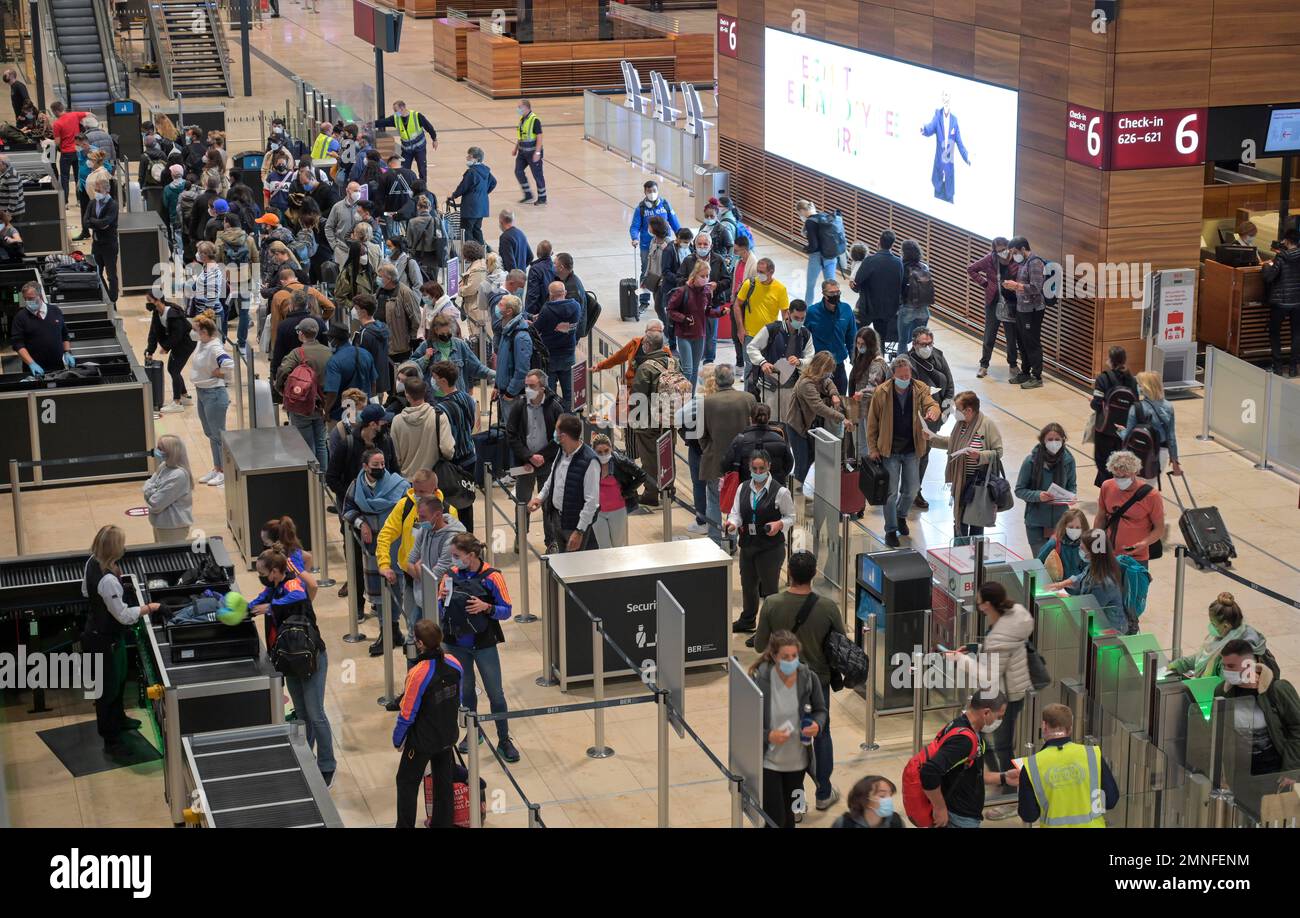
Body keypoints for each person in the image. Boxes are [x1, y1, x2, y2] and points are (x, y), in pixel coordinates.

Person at [754, 550, 845, 809]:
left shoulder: (772, 603)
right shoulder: (828, 607)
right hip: (818, 680)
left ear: (789, 574)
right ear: (815, 574)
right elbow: (841, 645)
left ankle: (793, 802)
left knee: (785, 738)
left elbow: (760, 644)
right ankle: (824, 792)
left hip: (780, 682)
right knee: (820, 733)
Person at [249, 548, 335, 785]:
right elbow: (256, 602)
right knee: (302, 714)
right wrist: (243, 610)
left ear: (275, 571)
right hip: (288, 658)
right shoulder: (273, 588)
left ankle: (327, 764)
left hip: (311, 658)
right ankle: (306, 758)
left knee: (316, 714)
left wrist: (272, 607)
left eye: (263, 572)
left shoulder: (292, 586)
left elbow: (298, 596)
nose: (262, 576)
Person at [436, 533, 520, 762]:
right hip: (455, 644)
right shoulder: (449, 576)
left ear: (471, 555)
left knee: (496, 693)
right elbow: (441, 611)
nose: (453, 560)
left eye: (456, 555)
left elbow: (507, 610)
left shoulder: (492, 577)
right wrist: (441, 598)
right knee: (466, 691)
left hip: (483, 644)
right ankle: (474, 733)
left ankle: (504, 739)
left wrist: (486, 607)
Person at [82, 526, 161, 757]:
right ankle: (111, 739)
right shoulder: (107, 580)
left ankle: (119, 719)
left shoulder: (91, 562)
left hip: (108, 637)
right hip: (102, 641)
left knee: (117, 681)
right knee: (106, 690)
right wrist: (151, 607)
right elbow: (124, 615)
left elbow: (86, 591)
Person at [961, 582, 1034, 819]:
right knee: (988, 739)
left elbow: (988, 674)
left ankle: (1009, 796)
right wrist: (976, 649)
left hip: (1005, 699)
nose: (979, 606)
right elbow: (996, 655)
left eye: (980, 602)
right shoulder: (1015, 617)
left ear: (989, 605)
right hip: (1013, 691)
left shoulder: (1000, 635)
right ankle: (1000, 779)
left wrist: (961, 662)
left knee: (1003, 747)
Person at [749, 630, 827, 829]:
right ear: (774, 656)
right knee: (775, 819)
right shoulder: (759, 681)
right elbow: (746, 723)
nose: (791, 661)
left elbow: (821, 710)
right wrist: (768, 735)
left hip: (797, 762)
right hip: (768, 763)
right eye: (785, 657)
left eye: (794, 656)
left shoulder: (809, 678)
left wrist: (817, 725)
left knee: (790, 817)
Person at [393, 619, 463, 828]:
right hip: (447, 736)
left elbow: (407, 713)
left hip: (422, 741)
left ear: (421, 644)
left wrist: (398, 740)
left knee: (405, 782)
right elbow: (457, 698)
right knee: (444, 783)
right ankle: (443, 824)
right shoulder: (454, 663)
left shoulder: (418, 673)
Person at [866, 356, 941, 546]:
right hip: (889, 450)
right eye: (901, 376)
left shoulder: (920, 388)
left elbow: (932, 403)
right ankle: (890, 529)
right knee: (890, 493)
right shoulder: (882, 392)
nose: (905, 378)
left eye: (907, 375)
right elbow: (872, 422)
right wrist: (873, 448)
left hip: (911, 448)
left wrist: (933, 411)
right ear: (893, 375)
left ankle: (901, 514)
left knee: (912, 490)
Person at [343, 447, 412, 650]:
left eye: (383, 464)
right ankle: (386, 629)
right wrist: (361, 522)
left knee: (397, 587)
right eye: (375, 465)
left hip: (396, 546)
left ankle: (394, 628)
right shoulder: (356, 486)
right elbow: (348, 509)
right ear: (365, 467)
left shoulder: (399, 485)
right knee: (378, 589)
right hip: (372, 547)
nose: (380, 468)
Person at [726, 450, 795, 634]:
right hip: (748, 545)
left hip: (770, 548)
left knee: (769, 590)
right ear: (750, 468)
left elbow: (791, 517)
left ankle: (771, 629)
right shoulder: (743, 487)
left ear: (769, 467)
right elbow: (736, 513)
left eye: (761, 468)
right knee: (748, 584)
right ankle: (748, 619)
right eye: (754, 468)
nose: (758, 471)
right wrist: (733, 523)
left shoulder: (781, 492)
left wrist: (779, 523)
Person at [920, 691, 1012, 828]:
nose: (999, 721)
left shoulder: (963, 726)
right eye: (999, 716)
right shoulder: (964, 741)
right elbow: (929, 772)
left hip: (962, 814)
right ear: (986, 713)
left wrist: (1004, 777)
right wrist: (939, 808)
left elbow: (972, 773)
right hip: (958, 817)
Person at [1017, 704, 1118, 827]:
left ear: (1044, 726)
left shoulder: (1031, 766)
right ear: (1070, 728)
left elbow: (1029, 815)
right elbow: (1111, 800)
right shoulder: (1092, 755)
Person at [927, 391, 1005, 541]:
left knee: (976, 521)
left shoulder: (987, 425)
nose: (955, 413)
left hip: (978, 484)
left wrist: (980, 456)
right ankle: (959, 553)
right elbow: (953, 443)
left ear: (969, 410)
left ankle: (975, 557)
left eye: (958, 409)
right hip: (960, 480)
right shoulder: (960, 424)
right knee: (959, 519)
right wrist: (932, 438)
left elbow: (998, 452)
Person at [1215, 640, 1300, 774]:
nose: (1226, 671)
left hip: (1274, 771)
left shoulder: (1278, 690)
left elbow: (1297, 729)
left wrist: (1290, 771)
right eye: (1224, 666)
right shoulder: (1222, 691)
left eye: (1231, 666)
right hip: (1240, 773)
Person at [699, 364, 756, 541]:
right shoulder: (748, 398)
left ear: (716, 380)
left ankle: (715, 540)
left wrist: (710, 449)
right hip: (744, 462)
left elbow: (701, 435)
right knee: (738, 503)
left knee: (714, 501)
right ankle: (733, 540)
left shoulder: (706, 402)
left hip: (715, 460)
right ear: (733, 379)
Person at [507, 369, 563, 548]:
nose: (527, 389)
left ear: (542, 388)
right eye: (526, 385)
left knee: (548, 503)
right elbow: (511, 435)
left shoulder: (554, 406)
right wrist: (529, 456)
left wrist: (542, 457)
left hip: (548, 463)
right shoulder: (519, 405)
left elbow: (559, 437)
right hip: (525, 464)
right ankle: (521, 537)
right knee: (522, 502)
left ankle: (551, 540)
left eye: (531, 386)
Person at [528, 414, 600, 553]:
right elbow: (552, 478)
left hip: (574, 526)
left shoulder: (590, 461)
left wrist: (579, 531)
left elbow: (592, 502)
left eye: (556, 431)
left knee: (575, 568)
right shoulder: (562, 451)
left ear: (564, 436)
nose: (554, 434)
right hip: (557, 519)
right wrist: (540, 497)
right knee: (562, 564)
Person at [1170, 593, 1276, 681]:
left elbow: (1222, 690)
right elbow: (1202, 656)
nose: (1210, 626)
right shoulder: (1224, 635)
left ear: (1226, 626)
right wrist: (1177, 665)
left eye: (1214, 624)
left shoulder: (1233, 654)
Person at [747, 299, 813, 435]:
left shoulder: (806, 334)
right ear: (788, 313)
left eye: (802, 318)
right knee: (769, 424)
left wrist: (800, 362)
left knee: (789, 426)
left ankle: (785, 452)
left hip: (791, 388)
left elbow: (811, 357)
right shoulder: (772, 329)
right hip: (769, 388)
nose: (799, 321)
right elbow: (752, 347)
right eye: (796, 318)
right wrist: (763, 362)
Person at [906, 326, 954, 510]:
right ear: (914, 344)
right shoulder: (906, 362)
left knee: (924, 455)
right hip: (913, 419)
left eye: (929, 344)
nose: (926, 347)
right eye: (922, 344)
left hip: (934, 419)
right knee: (911, 455)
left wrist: (944, 412)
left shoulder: (939, 357)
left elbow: (949, 385)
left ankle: (916, 490)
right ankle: (907, 490)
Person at [275, 318, 333, 468]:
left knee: (306, 445)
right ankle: (322, 480)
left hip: (302, 405)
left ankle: (311, 480)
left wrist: (282, 390)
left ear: (301, 334)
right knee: (321, 443)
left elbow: (282, 372)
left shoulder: (297, 353)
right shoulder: (328, 352)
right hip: (323, 405)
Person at [1048, 529, 1131, 634]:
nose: (1079, 550)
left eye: (1082, 548)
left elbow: (1090, 607)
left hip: (1110, 630)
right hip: (1096, 622)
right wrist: (1061, 584)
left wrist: (1066, 598)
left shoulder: (1104, 582)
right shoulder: (1096, 566)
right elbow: (1080, 578)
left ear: (1093, 553)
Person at [405, 495, 467, 630]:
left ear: (437, 515)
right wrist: (419, 569)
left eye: (423, 517)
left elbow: (435, 577)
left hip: (441, 603)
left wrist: (418, 567)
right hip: (422, 598)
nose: (420, 521)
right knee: (413, 637)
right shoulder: (425, 529)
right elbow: (409, 561)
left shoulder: (452, 539)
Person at [1015, 422, 1077, 554]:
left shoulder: (1069, 460)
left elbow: (1072, 485)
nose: (1054, 442)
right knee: (1041, 562)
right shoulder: (1030, 461)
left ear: (1063, 440)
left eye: (1057, 439)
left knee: (1059, 565)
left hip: (1060, 521)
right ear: (1043, 440)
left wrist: (1072, 496)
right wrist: (1038, 496)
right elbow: (1019, 490)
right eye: (1050, 439)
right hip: (1036, 521)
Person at [1094, 450, 1163, 566]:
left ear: (1134, 472)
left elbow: (1159, 529)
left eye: (1124, 476)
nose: (1120, 479)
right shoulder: (1106, 486)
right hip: (1109, 555)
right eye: (1116, 475)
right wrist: (1096, 543)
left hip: (1136, 558)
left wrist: (1144, 543)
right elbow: (1100, 517)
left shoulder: (1152, 496)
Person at [189, 312, 232, 487]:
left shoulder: (215, 347)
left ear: (205, 332)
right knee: (210, 433)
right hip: (202, 393)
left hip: (214, 394)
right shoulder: (201, 343)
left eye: (196, 330)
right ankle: (217, 467)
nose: (193, 333)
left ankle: (224, 471)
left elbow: (230, 364)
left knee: (218, 435)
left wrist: (220, 372)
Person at [967, 237, 1020, 380]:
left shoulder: (1016, 259)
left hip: (1011, 302)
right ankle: (984, 365)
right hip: (993, 302)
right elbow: (971, 269)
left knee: (1011, 336)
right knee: (990, 334)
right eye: (999, 250)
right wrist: (985, 284)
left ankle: (1013, 365)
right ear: (995, 251)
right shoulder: (990, 259)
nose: (1003, 252)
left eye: (1005, 249)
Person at [676, 233, 732, 366]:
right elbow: (678, 279)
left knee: (711, 333)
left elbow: (727, 280)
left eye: (705, 244)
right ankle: (696, 355)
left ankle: (709, 359)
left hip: (713, 303)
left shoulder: (718, 260)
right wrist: (690, 283)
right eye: (699, 244)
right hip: (692, 305)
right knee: (694, 331)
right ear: (694, 246)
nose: (702, 247)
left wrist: (717, 285)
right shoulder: (688, 261)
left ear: (711, 245)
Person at [788, 351, 845, 483]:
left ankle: (796, 490)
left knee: (809, 460)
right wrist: (841, 417)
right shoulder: (806, 384)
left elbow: (828, 382)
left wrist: (834, 394)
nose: (828, 374)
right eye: (826, 371)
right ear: (819, 368)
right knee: (802, 465)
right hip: (797, 427)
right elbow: (818, 407)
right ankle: (796, 498)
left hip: (809, 426)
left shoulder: (819, 378)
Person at [1120, 371, 1183, 481]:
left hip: (1139, 453)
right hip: (1160, 454)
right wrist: (1174, 460)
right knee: (1149, 487)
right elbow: (1171, 436)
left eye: (1139, 385)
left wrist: (1121, 431)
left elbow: (1128, 437)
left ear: (1146, 387)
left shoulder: (1136, 408)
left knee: (1136, 490)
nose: (1138, 387)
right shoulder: (1169, 407)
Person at [389, 376, 457, 479]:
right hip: (433, 478)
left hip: (407, 479)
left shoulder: (397, 421)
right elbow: (447, 450)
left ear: (407, 395)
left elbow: (395, 456)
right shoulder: (439, 417)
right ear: (424, 393)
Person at [1003, 236, 1048, 389]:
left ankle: (1037, 376)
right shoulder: (1023, 262)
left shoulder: (1035, 262)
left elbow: (1036, 287)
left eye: (1015, 252)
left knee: (1032, 342)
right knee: (1022, 341)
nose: (1013, 255)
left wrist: (1016, 286)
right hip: (1022, 308)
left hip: (1033, 310)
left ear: (1023, 249)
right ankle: (1025, 372)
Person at [1089, 346, 1137, 487]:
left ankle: (1107, 491)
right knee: (1120, 463)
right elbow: (1136, 404)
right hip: (1124, 430)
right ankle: (1117, 489)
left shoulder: (1103, 379)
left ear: (1110, 360)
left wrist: (1093, 403)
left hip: (1105, 429)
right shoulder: (1131, 380)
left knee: (1102, 461)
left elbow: (1096, 404)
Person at [667, 259, 719, 387]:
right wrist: (683, 318)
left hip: (699, 335)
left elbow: (706, 311)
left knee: (695, 370)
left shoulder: (707, 292)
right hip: (684, 335)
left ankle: (691, 398)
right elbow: (670, 310)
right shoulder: (682, 292)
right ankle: (683, 396)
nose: (705, 279)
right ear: (694, 275)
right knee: (688, 370)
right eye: (702, 276)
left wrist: (720, 313)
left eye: (707, 276)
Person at [590, 434, 645, 549]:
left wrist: (626, 492)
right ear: (593, 451)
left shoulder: (619, 461)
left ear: (611, 448)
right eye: (599, 452)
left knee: (618, 547)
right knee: (603, 548)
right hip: (597, 512)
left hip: (618, 510)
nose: (603, 454)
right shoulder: (589, 464)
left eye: (606, 450)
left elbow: (641, 475)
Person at [145, 289, 196, 413]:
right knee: (174, 369)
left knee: (174, 369)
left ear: (157, 301)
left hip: (187, 342)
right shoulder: (157, 313)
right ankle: (185, 396)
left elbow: (177, 335)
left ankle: (177, 402)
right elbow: (153, 332)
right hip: (179, 342)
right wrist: (150, 350)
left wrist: (166, 347)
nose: (147, 303)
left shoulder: (173, 313)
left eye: (149, 301)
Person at [535, 281, 582, 410]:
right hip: (568, 353)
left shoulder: (547, 309)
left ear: (550, 295)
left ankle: (553, 420)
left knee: (550, 393)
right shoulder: (576, 306)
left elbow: (537, 329)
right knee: (569, 392)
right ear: (565, 293)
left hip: (550, 355)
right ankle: (569, 420)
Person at [853, 231, 904, 352]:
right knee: (880, 339)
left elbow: (857, 283)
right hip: (888, 309)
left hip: (867, 307)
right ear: (892, 245)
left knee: (858, 334)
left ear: (878, 242)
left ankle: (856, 359)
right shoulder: (898, 263)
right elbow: (899, 284)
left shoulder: (870, 260)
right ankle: (880, 363)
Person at [10, 282, 73, 377]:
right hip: (34, 371)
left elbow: (64, 335)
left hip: (58, 369)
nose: (28, 301)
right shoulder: (20, 317)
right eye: (25, 299)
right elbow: (18, 344)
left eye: (31, 298)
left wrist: (67, 352)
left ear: (40, 296)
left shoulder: (55, 311)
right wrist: (31, 363)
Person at [724, 402, 794, 487]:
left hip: (747, 489)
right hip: (774, 488)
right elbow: (789, 464)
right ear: (768, 419)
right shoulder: (780, 440)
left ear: (750, 419)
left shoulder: (739, 441)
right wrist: (778, 476)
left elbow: (727, 465)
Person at [806, 278, 856, 397]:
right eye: (832, 293)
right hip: (818, 366)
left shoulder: (846, 310)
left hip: (838, 364)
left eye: (838, 292)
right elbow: (804, 338)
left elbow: (852, 337)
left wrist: (854, 358)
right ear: (824, 294)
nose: (836, 295)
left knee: (841, 398)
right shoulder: (812, 312)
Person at [846, 326, 889, 458]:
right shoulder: (861, 357)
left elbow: (874, 386)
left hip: (870, 409)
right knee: (859, 445)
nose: (859, 347)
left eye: (863, 344)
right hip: (858, 407)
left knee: (867, 446)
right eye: (858, 344)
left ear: (870, 344)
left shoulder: (876, 362)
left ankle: (866, 473)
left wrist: (862, 392)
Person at [1262, 228, 1300, 377]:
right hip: (1298, 302)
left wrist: (1266, 266)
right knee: (1296, 333)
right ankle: (1293, 367)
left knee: (1274, 331)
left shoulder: (1281, 258)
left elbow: (1269, 278)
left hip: (1281, 302)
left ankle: (1277, 366)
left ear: (1287, 241)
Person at [921, 91, 970, 202]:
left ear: (951, 99)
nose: (946, 98)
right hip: (938, 174)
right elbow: (930, 128)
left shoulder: (954, 121)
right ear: (942, 98)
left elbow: (960, 144)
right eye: (944, 96)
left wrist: (968, 157)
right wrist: (923, 128)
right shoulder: (937, 115)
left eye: (948, 96)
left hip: (949, 177)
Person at [143, 435, 194, 544]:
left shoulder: (178, 475)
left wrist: (150, 491)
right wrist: (152, 490)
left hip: (172, 527)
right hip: (160, 524)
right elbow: (147, 486)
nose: (157, 451)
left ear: (171, 452)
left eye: (161, 449)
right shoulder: (164, 466)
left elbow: (155, 503)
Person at [323, 324, 378, 420]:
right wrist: (373, 405)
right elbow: (373, 383)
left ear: (334, 340)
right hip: (364, 409)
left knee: (342, 434)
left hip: (343, 413)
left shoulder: (334, 361)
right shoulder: (366, 354)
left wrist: (326, 411)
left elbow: (332, 392)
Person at [374, 100, 437, 182]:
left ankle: (423, 189)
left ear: (402, 108)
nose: (395, 113)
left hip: (419, 148)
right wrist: (370, 124)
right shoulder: (396, 119)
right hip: (407, 150)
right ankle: (406, 188)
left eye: (396, 110)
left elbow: (429, 127)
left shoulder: (416, 116)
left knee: (422, 170)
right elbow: (382, 122)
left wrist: (434, 139)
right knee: (404, 170)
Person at [630, 181, 681, 274]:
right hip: (646, 245)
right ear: (645, 192)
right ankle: (644, 286)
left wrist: (680, 235)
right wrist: (635, 238)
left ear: (658, 191)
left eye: (654, 190)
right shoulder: (640, 209)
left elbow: (674, 222)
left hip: (665, 243)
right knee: (646, 269)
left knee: (666, 268)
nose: (652, 193)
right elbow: (635, 226)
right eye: (649, 191)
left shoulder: (665, 205)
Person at [448, 147, 496, 246]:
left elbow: (463, 187)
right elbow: (493, 182)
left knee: (466, 231)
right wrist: (483, 193)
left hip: (470, 207)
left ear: (476, 159)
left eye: (469, 156)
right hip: (482, 206)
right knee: (477, 229)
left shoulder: (471, 172)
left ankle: (471, 253)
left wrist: (453, 195)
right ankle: (483, 251)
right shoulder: (486, 171)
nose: (467, 158)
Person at [795, 200, 840, 305]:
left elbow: (813, 245)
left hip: (817, 257)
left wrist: (805, 249)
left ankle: (807, 310)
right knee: (831, 287)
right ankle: (834, 307)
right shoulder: (824, 216)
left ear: (802, 211)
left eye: (799, 213)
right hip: (831, 256)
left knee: (810, 285)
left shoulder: (810, 222)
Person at [494, 295, 533, 408]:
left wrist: (510, 392)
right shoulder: (507, 330)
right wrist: (497, 385)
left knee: (513, 425)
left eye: (500, 304)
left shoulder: (520, 337)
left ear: (509, 311)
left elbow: (522, 369)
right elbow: (502, 361)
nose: (497, 306)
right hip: (504, 390)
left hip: (513, 396)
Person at [85, 177, 120, 304]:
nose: (96, 191)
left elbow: (106, 222)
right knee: (96, 273)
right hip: (96, 244)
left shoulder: (113, 205)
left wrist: (93, 222)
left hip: (109, 245)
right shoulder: (92, 203)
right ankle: (105, 296)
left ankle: (113, 299)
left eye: (98, 189)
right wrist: (98, 224)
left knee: (111, 275)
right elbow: (85, 222)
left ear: (106, 190)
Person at [350, 294, 393, 395]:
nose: (353, 311)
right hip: (382, 382)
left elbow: (361, 362)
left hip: (369, 385)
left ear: (363, 312)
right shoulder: (382, 328)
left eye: (356, 308)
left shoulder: (365, 334)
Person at [898, 239, 934, 350]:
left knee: (903, 341)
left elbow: (899, 287)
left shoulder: (901, 267)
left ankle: (901, 364)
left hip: (907, 307)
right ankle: (919, 363)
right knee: (921, 341)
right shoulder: (924, 267)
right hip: (923, 309)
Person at [1037, 507, 1089, 583]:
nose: (1074, 530)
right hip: (1058, 588)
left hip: (1078, 588)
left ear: (1083, 528)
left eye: (1078, 527)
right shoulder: (1054, 543)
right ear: (1064, 526)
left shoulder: (1085, 546)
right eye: (1071, 527)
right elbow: (1038, 563)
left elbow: (1088, 569)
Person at [832, 775, 903, 828]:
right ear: (864, 799)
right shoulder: (844, 824)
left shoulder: (895, 821)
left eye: (890, 795)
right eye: (882, 796)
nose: (888, 800)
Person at [511, 98, 546, 205]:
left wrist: (537, 153)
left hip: (532, 153)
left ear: (526, 107)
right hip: (522, 153)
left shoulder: (535, 120)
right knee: (518, 171)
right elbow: (521, 135)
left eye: (519, 107)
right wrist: (516, 148)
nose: (518, 109)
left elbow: (539, 137)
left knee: (537, 175)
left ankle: (542, 197)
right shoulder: (522, 119)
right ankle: (528, 195)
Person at [51, 101, 90, 197]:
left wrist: (48, 142)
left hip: (66, 154)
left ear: (56, 111)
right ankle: (79, 200)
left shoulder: (57, 124)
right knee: (79, 176)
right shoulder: (74, 115)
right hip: (77, 151)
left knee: (64, 178)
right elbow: (89, 114)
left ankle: (65, 202)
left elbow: (57, 142)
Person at [0, 154, 25, 220]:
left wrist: (8, 214)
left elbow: (14, 197)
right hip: (5, 213)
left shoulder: (11, 175)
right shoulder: (3, 173)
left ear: (4, 164)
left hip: (13, 214)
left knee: (13, 230)